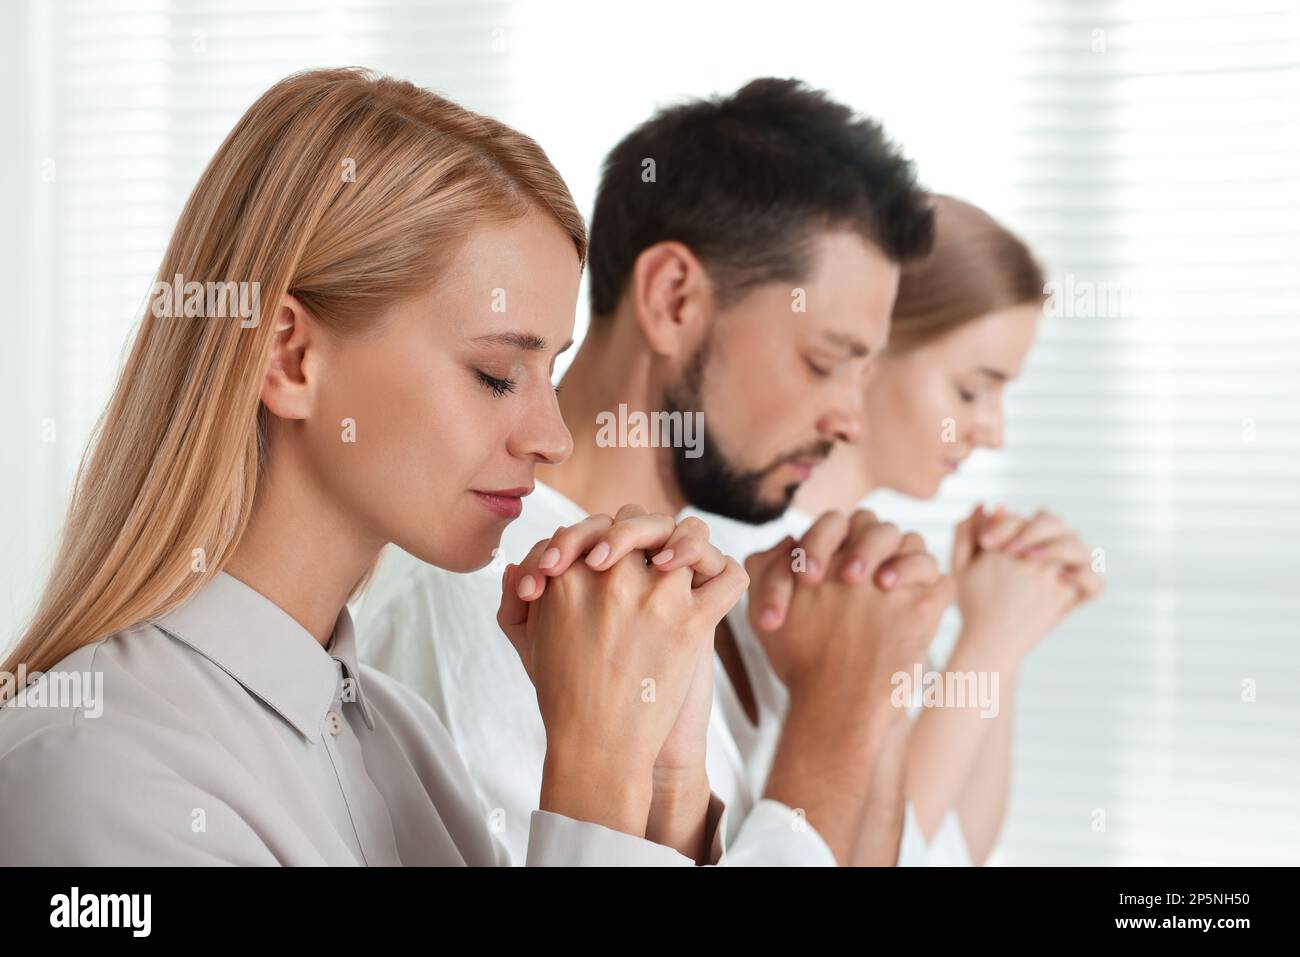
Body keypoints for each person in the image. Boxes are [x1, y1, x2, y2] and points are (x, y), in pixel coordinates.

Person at [0, 68, 748, 866]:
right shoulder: (95, 771)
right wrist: (593, 769)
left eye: (549, 374)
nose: (552, 438)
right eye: (497, 374)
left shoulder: (405, 743)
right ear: (289, 356)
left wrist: (663, 779)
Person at [355, 78, 952, 866]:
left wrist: (875, 672)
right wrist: (837, 716)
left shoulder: (747, 590)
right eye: (825, 361)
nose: (851, 419)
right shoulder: (475, 594)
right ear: (673, 299)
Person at [744, 195, 1106, 864]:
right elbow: (884, 852)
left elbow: (956, 849)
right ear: (872, 347)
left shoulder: (875, 561)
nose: (993, 432)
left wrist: (997, 631)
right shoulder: (767, 561)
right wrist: (991, 643)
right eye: (972, 390)